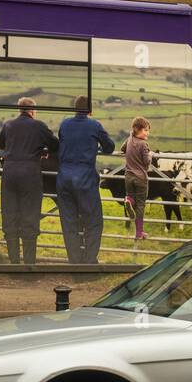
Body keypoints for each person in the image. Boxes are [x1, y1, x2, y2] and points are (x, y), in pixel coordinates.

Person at [0, 97, 58, 264]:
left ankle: (14, 263)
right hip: (30, 175)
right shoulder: (39, 125)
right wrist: (42, 151)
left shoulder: (8, 124)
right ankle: (29, 264)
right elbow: (55, 145)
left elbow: (2, 145)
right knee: (30, 217)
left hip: (9, 173)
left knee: (10, 216)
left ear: (20, 109)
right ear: (33, 111)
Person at [56, 96, 115, 263]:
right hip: (85, 180)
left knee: (69, 224)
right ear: (90, 110)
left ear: (75, 109)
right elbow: (109, 147)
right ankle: (89, 263)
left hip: (64, 179)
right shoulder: (94, 125)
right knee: (94, 222)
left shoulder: (65, 124)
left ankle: (74, 262)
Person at [121, 116, 153, 244]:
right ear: (137, 129)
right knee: (140, 205)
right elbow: (146, 163)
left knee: (132, 198)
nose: (147, 133)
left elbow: (123, 149)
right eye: (145, 130)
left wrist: (130, 138)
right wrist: (150, 155)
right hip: (141, 178)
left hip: (128, 177)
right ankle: (139, 233)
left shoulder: (129, 139)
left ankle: (128, 200)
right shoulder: (143, 144)